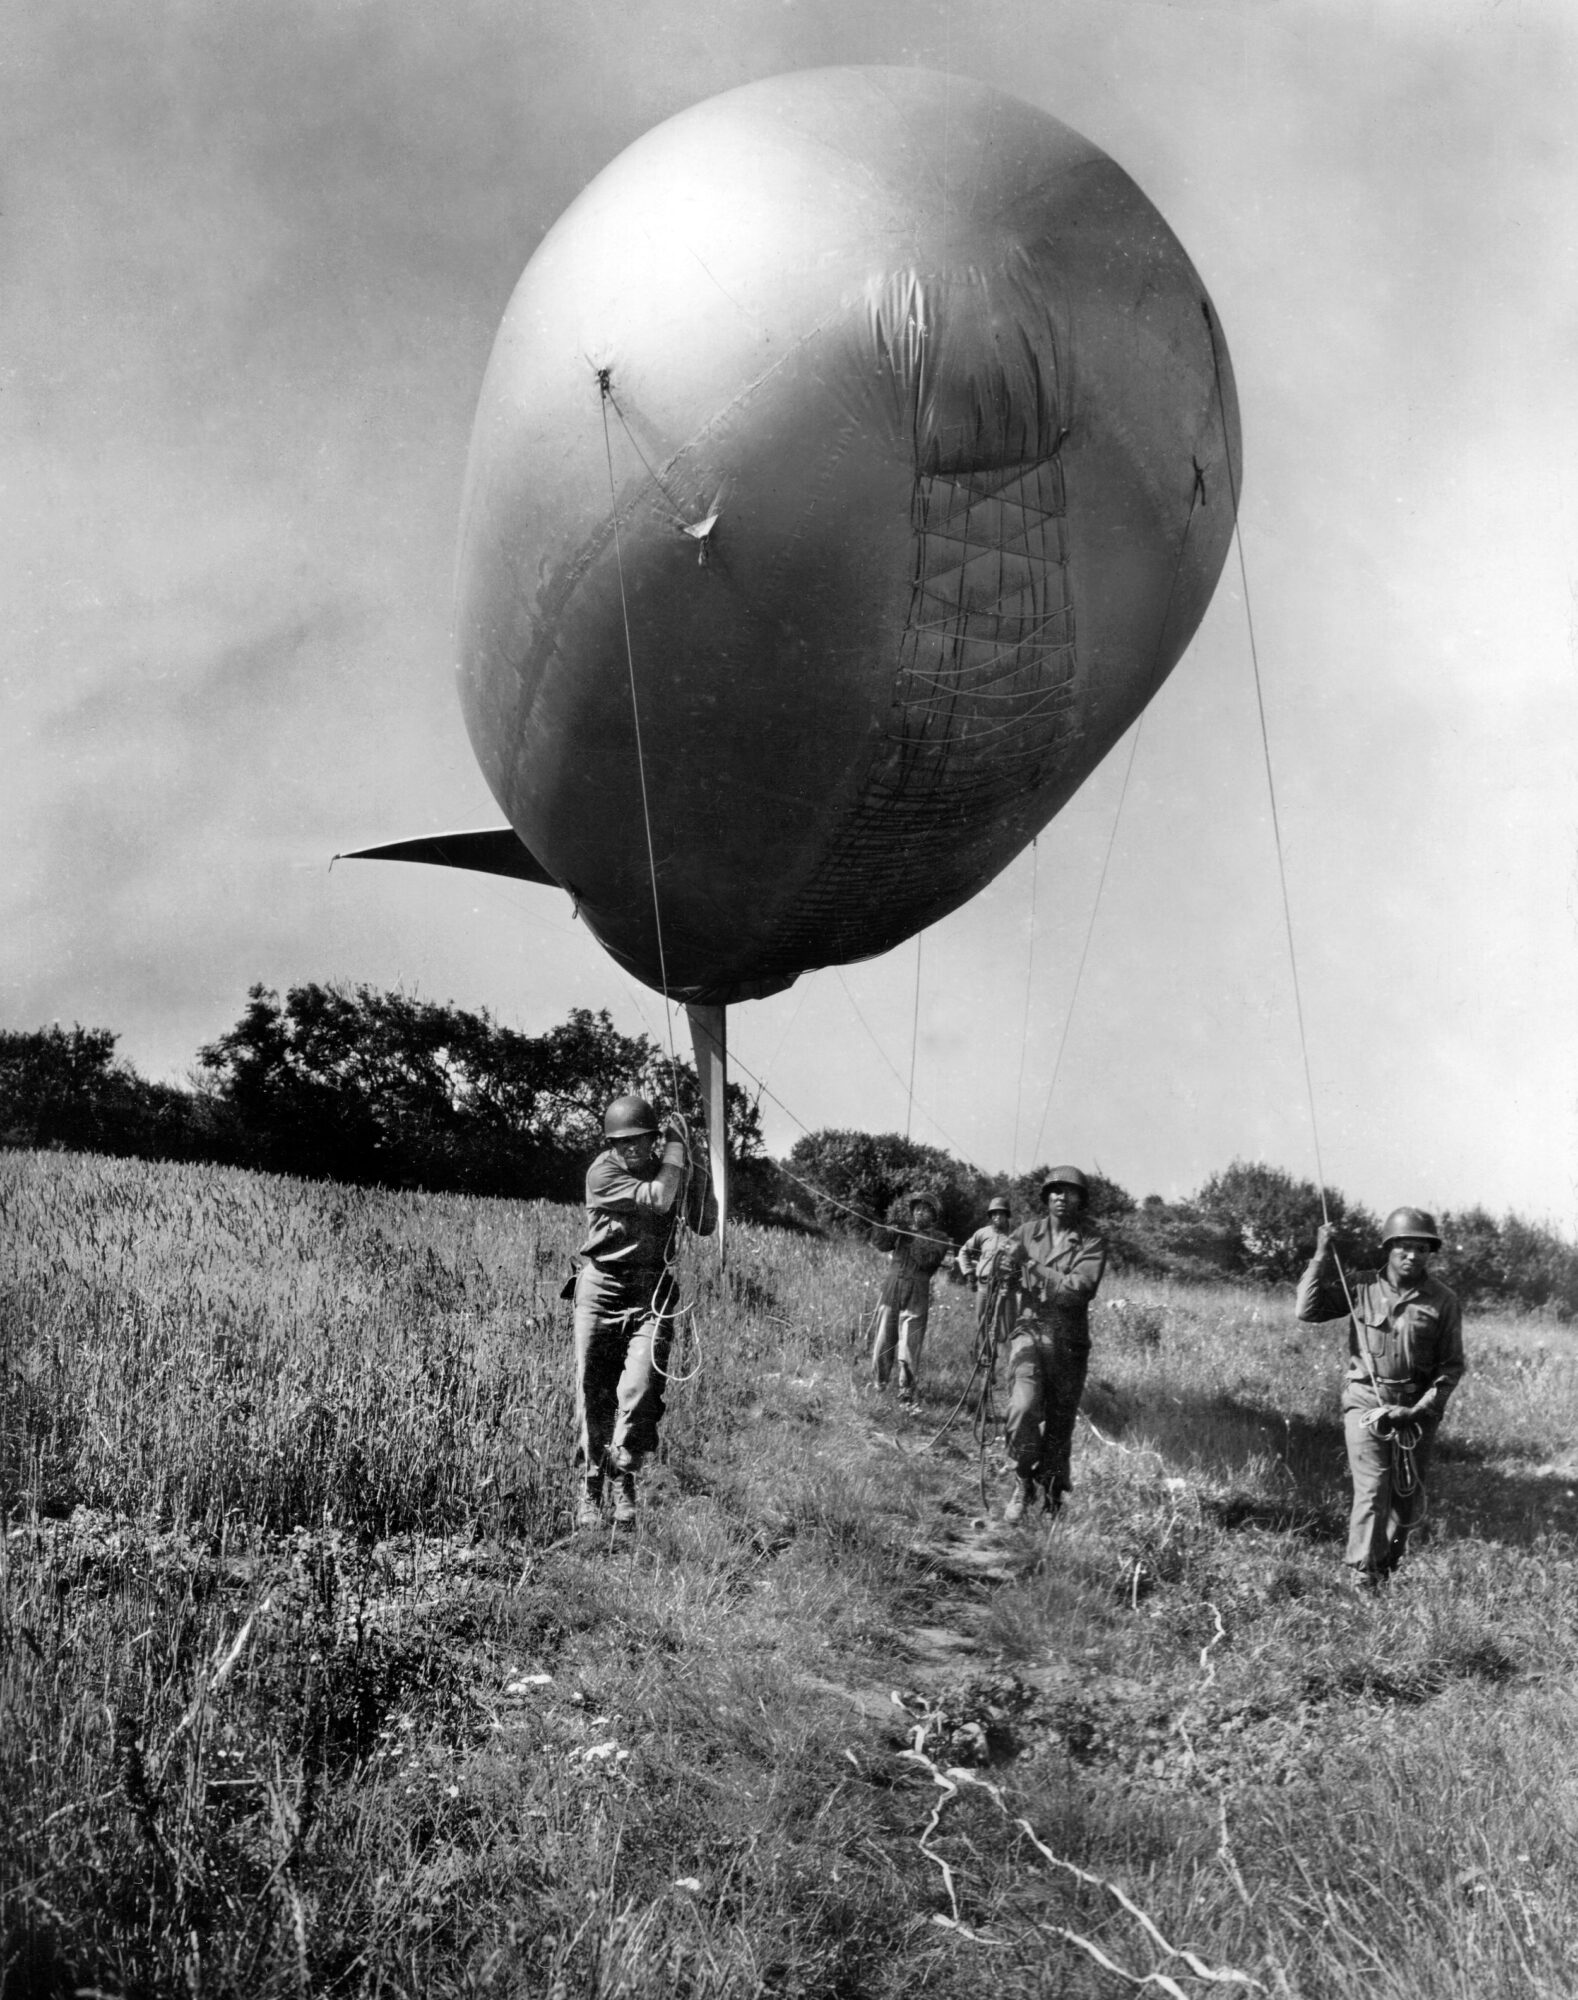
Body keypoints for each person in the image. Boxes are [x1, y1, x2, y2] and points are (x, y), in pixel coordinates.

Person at [1295, 1207, 1464, 1590]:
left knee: (1407, 1496)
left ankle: (1386, 1566)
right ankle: (1362, 1575)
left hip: (1415, 1407)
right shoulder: (1361, 1286)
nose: (1412, 1256)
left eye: (1421, 1249)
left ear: (1430, 1253)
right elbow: (1307, 1310)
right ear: (1388, 1249)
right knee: (1373, 1486)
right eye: (1404, 1247)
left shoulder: (1443, 1300)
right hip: (1366, 1401)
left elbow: (1451, 1366)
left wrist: (1419, 1410)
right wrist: (1321, 1253)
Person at [571, 1094, 692, 1529]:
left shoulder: (669, 1169)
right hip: (602, 1289)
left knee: (641, 1388)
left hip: (651, 1293)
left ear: (652, 1139)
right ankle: (590, 1489)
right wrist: (677, 1152)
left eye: (641, 1140)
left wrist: (701, 1171)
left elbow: (704, 1222)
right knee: (593, 1392)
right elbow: (659, 1198)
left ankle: (624, 1477)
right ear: (611, 1143)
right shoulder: (603, 1171)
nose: (632, 1148)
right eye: (623, 1141)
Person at [1001, 1168, 1107, 1523]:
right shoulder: (1027, 1232)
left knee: (1060, 1425)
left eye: (1070, 1192)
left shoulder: (1091, 1242)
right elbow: (1002, 1269)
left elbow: (1078, 1291)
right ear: (1046, 1197)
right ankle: (1022, 1480)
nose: (1062, 1197)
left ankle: (1052, 1494)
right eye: (1056, 1191)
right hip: (1029, 1333)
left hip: (1069, 1343)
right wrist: (1001, 1263)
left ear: (1081, 1200)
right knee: (1023, 1407)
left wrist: (1029, 1263)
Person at [870, 1190, 949, 1407]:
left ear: (934, 1216)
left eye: (926, 1210)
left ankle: (905, 1393)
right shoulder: (903, 1230)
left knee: (910, 1344)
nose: (920, 1213)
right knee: (884, 1338)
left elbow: (927, 1260)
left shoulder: (941, 1239)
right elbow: (880, 1243)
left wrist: (910, 1237)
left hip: (917, 1291)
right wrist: (887, 1228)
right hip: (892, 1287)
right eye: (917, 1209)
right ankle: (879, 1385)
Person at [956, 1196, 1019, 1372]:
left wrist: (1017, 1279)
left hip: (1006, 1288)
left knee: (1005, 1326)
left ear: (1007, 1216)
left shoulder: (1016, 1237)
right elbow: (964, 1251)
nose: (997, 1217)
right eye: (994, 1214)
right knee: (981, 1320)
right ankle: (986, 1359)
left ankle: (1008, 1364)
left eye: (1001, 1214)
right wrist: (968, 1273)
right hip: (984, 1285)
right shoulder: (982, 1234)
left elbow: (1023, 1264)